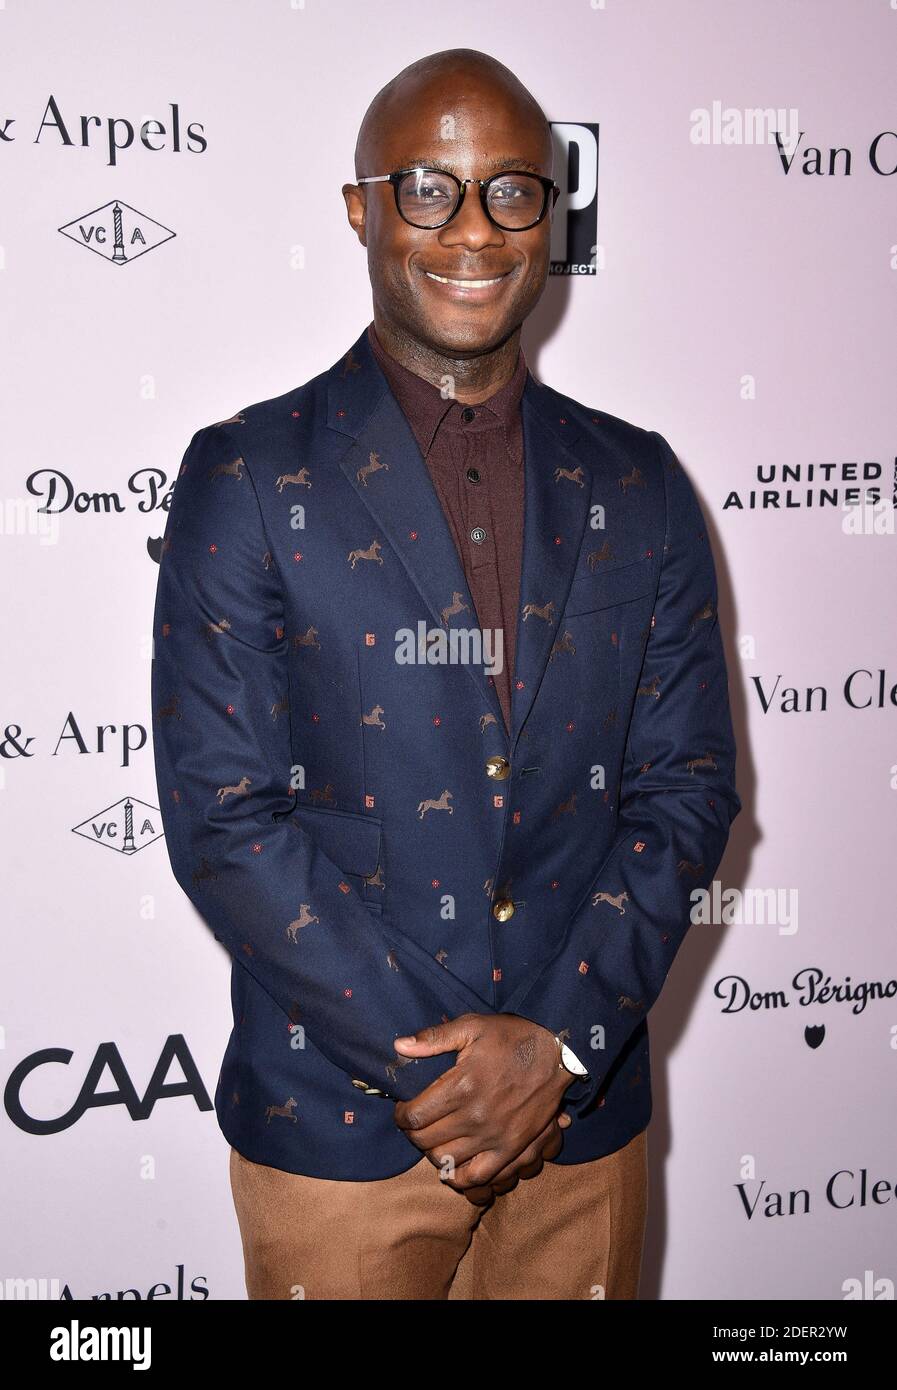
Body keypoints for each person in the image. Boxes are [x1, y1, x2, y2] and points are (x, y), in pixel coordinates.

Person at [151, 47, 741, 1300]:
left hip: (582, 1124)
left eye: (513, 192)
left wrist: (555, 1052)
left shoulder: (641, 483)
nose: (473, 229)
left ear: (555, 215)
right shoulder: (251, 476)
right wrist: (454, 1073)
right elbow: (226, 821)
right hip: (340, 1138)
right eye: (428, 189)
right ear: (364, 209)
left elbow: (687, 790)